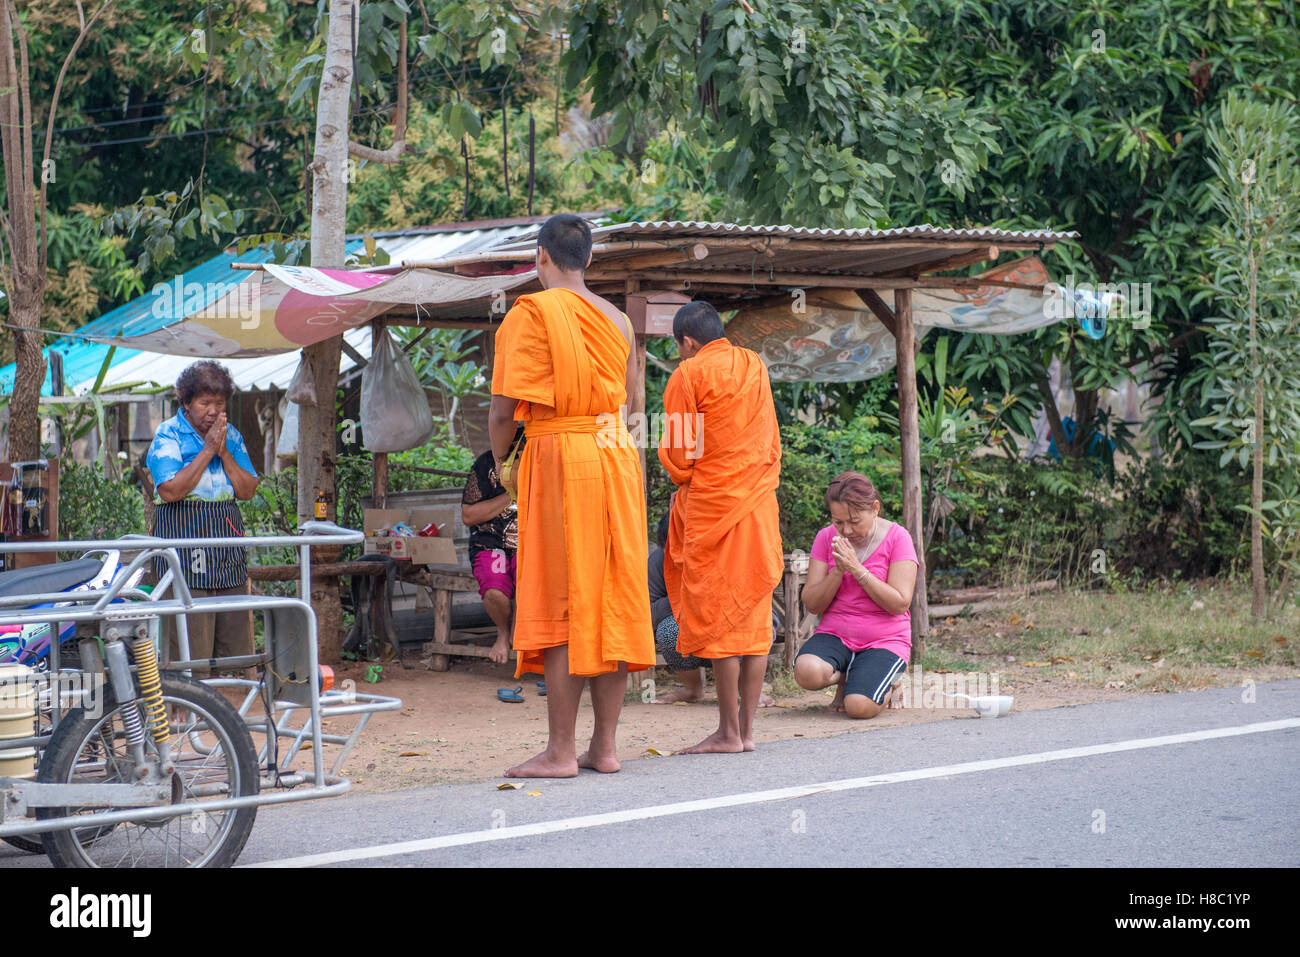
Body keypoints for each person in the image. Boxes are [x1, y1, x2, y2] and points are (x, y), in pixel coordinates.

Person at [487, 213, 654, 778]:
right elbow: (632, 408)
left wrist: (505, 463)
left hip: (560, 457)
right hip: (615, 457)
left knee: (562, 598)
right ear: (589, 261)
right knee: (611, 597)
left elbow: (502, 412)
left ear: (540, 257)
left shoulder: (531, 312)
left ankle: (561, 751)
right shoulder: (620, 321)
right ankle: (604, 749)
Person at [658, 301, 783, 754]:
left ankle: (728, 733)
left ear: (688, 342)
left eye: (678, 348)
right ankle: (746, 733)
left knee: (723, 621)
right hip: (758, 507)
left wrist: (685, 474)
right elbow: (769, 439)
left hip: (713, 511)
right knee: (752, 619)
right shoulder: (754, 365)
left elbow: (679, 456)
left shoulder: (688, 376)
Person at [146, 360, 260, 677]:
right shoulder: (168, 435)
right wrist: (208, 450)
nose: (212, 411)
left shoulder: (231, 437)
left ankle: (239, 702)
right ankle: (187, 704)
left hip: (225, 542)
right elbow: (170, 491)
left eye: (219, 404)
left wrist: (224, 452)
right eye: (204, 403)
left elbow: (248, 489)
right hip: (183, 545)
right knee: (188, 629)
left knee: (235, 628)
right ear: (186, 403)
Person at [794, 472, 919, 718]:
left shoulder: (898, 538)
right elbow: (811, 603)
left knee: (859, 707)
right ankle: (851, 676)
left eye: (854, 520)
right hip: (835, 634)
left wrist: (857, 569)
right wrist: (838, 571)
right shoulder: (826, 537)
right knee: (806, 672)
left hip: (885, 638)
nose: (846, 530)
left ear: (875, 508)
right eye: (838, 522)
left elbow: (899, 603)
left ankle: (890, 682)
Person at [460, 427, 525, 665]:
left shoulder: (543, 466)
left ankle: (524, 632)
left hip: (530, 546)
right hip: (489, 544)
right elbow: (468, 515)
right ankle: (503, 633)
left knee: (531, 583)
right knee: (495, 590)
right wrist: (512, 493)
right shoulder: (486, 464)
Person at [647, 508, 710, 703]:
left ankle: (748, 690)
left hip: (722, 622)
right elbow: (651, 613)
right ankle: (693, 690)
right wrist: (684, 595)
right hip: (684, 626)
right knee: (668, 631)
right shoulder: (658, 561)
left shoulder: (719, 554)